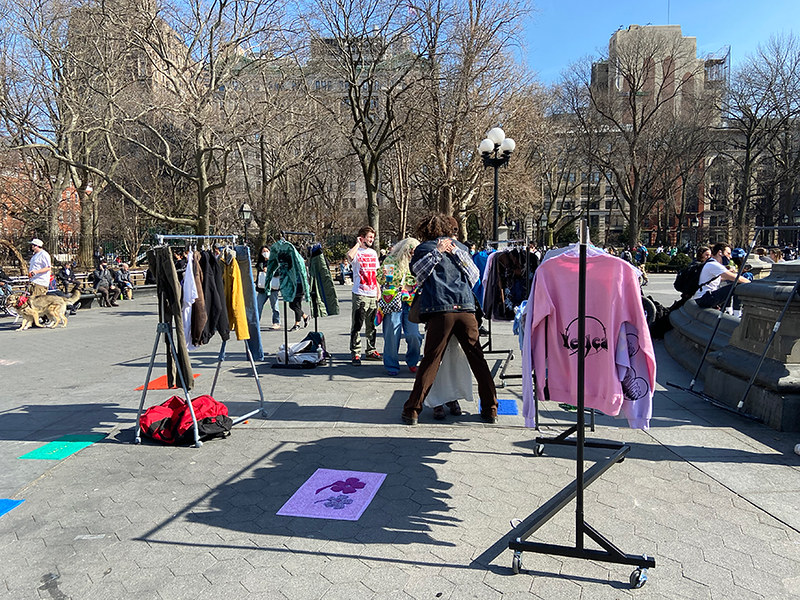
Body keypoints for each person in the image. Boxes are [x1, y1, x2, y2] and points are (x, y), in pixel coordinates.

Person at [401, 213, 498, 426]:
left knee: (431, 360)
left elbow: (418, 274)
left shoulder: (424, 249)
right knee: (478, 359)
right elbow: (475, 278)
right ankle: (490, 407)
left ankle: (413, 409)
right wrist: (456, 253)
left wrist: (438, 253)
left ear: (426, 230)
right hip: (465, 308)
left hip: (440, 309)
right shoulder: (462, 248)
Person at [377, 238, 423, 376]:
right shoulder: (391, 260)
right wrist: (384, 277)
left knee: (414, 335)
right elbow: (379, 277)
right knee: (392, 334)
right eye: (411, 251)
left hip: (411, 302)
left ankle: (413, 361)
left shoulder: (418, 261)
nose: (412, 254)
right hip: (393, 300)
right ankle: (391, 365)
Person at [346, 225, 381, 365]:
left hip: (372, 293)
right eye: (369, 237)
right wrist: (357, 244)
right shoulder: (357, 252)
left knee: (372, 325)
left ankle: (371, 350)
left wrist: (378, 291)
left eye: (373, 237)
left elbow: (375, 274)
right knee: (357, 324)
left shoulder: (373, 253)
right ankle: (355, 353)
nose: (372, 239)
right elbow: (349, 256)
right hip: (360, 293)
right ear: (362, 237)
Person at [692, 242, 750, 311]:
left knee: (727, 286)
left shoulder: (709, 263)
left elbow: (715, 279)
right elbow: (737, 278)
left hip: (701, 298)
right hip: (705, 298)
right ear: (720, 253)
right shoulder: (714, 264)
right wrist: (752, 283)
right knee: (737, 285)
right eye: (728, 253)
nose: (730, 257)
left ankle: (727, 309)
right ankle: (737, 312)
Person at [255, 245, 280, 330]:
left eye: (267, 251)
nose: (265, 253)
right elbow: (259, 270)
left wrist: (269, 270)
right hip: (262, 288)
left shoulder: (275, 261)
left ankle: (276, 322)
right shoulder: (260, 262)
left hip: (272, 287)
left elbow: (278, 272)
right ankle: (256, 322)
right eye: (263, 251)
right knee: (258, 305)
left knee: (275, 305)